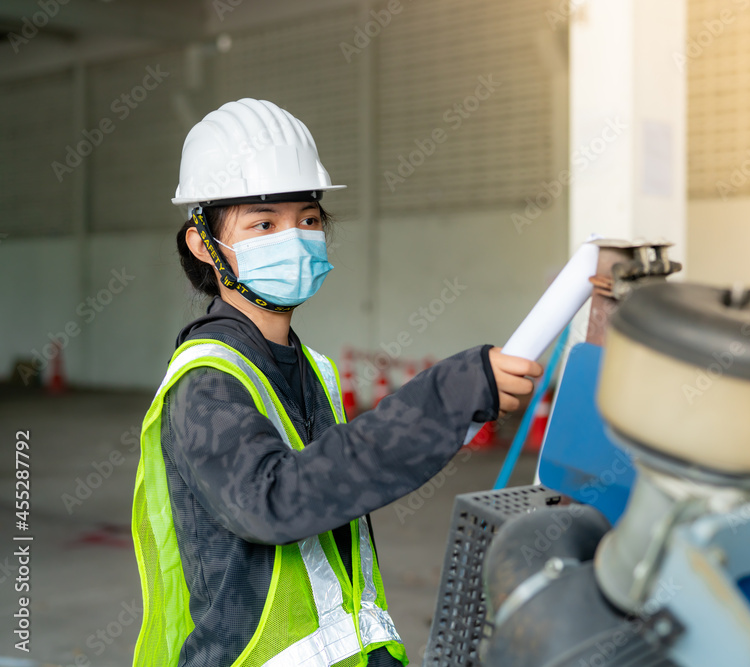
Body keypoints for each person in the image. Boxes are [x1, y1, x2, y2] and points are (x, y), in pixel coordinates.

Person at [130, 98, 543, 667]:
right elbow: (272, 501)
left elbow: (338, 491)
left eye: (308, 218)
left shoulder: (310, 367)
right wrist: (448, 396)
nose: (295, 237)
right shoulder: (206, 379)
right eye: (263, 224)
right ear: (204, 245)